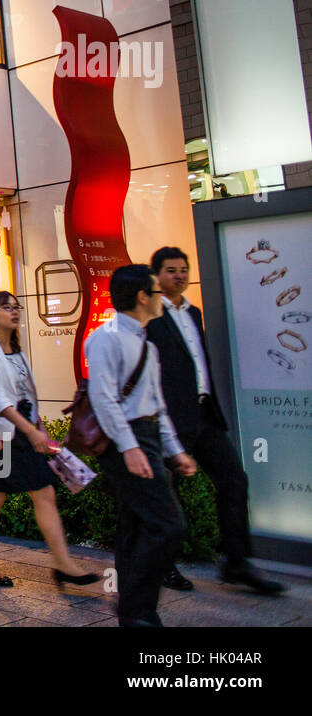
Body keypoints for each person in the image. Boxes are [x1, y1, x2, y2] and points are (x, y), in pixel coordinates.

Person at [148, 247, 284, 595]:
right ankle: (163, 566)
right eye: (171, 270)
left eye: (183, 269)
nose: (178, 275)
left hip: (205, 414)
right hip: (170, 419)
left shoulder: (193, 313)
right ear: (157, 276)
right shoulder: (149, 317)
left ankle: (236, 562)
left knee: (234, 481)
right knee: (166, 497)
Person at [86, 264, 197, 627]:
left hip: (144, 436)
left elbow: (157, 405)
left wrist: (174, 449)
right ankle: (136, 607)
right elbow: (103, 399)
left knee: (134, 528)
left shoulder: (146, 343)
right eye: (156, 289)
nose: (163, 295)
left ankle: (136, 614)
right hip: (124, 440)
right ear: (141, 297)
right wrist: (130, 447)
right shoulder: (107, 337)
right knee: (168, 524)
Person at [0, 292, 100, 588]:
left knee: (45, 492)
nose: (14, 312)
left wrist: (40, 426)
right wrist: (32, 430)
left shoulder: (16, 349)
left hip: (23, 433)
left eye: (17, 307)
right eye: (7, 308)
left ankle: (63, 564)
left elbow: (27, 395)